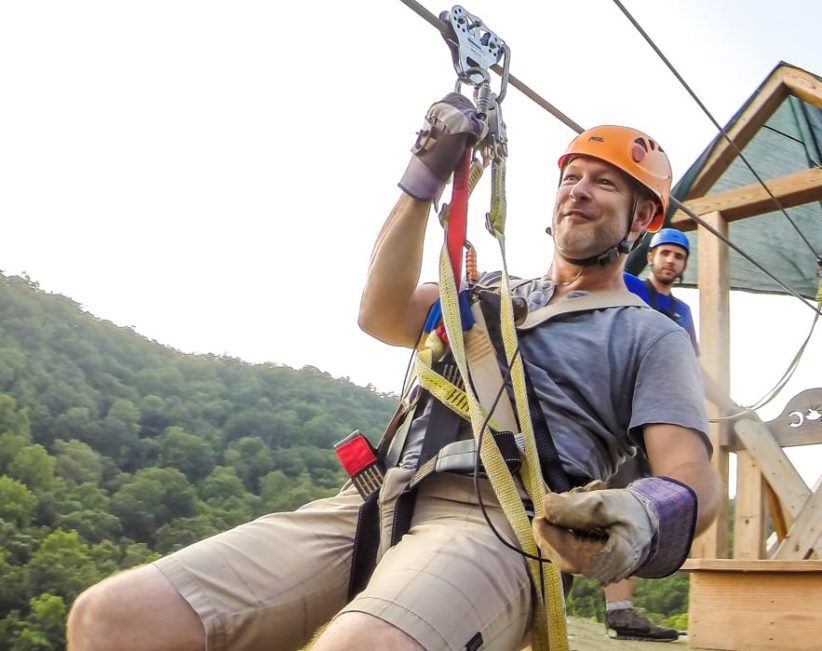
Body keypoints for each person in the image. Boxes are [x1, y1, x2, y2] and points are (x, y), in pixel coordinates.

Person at [67, 94, 720, 651]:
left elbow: (693, 477)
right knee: (114, 618)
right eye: (571, 176)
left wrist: (642, 515)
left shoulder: (650, 334)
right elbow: (380, 311)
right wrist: (424, 178)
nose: (577, 189)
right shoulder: (484, 293)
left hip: (497, 526)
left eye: (604, 182)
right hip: (374, 501)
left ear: (642, 217)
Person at [602, 228, 697, 641]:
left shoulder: (681, 312)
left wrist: (727, 406)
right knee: (601, 504)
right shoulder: (628, 284)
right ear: (651, 256)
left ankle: (621, 611)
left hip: (652, 419)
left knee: (638, 507)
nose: (671, 261)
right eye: (665, 253)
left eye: (678, 256)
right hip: (613, 410)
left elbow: (689, 366)